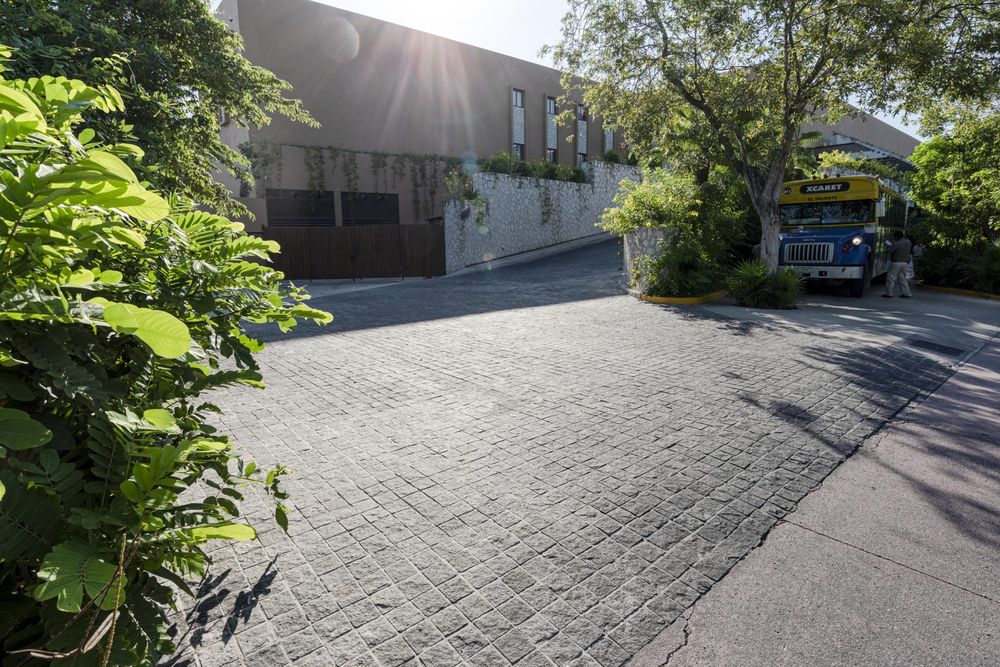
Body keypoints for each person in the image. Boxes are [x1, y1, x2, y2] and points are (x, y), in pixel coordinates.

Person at [883, 230, 913, 298]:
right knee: (902, 279)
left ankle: (889, 293)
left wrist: (888, 246)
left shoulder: (896, 243)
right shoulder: (908, 242)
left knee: (891, 278)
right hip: (905, 263)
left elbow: (889, 252)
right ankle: (907, 293)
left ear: (896, 237)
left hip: (896, 262)